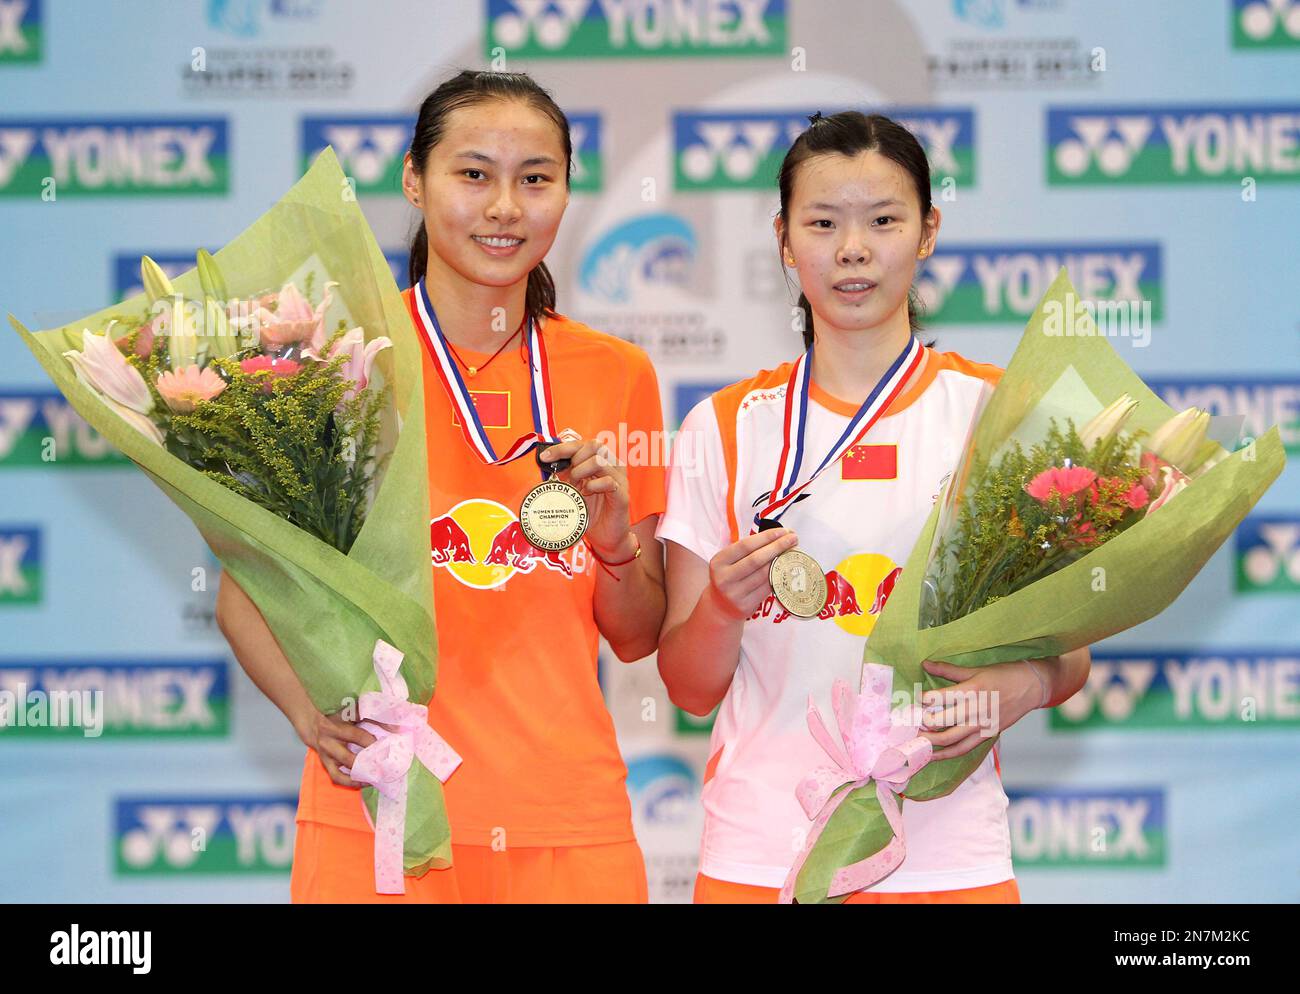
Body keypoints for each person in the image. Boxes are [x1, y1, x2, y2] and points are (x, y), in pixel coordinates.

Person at [217, 70, 667, 903]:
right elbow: (244, 594)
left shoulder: (618, 374)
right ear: (414, 182)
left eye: (536, 178)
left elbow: (638, 635)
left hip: (566, 822)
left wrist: (612, 537)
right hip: (380, 815)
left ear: (567, 191)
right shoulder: (333, 363)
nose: (505, 206)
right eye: (474, 173)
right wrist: (309, 720)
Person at [655, 111, 1092, 904]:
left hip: (947, 850)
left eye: (883, 221)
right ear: (785, 240)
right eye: (822, 223)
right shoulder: (721, 427)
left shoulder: (996, 415)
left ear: (927, 231)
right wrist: (721, 605)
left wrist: (1025, 684)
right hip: (763, 851)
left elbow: (1071, 655)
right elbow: (686, 687)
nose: (852, 250)